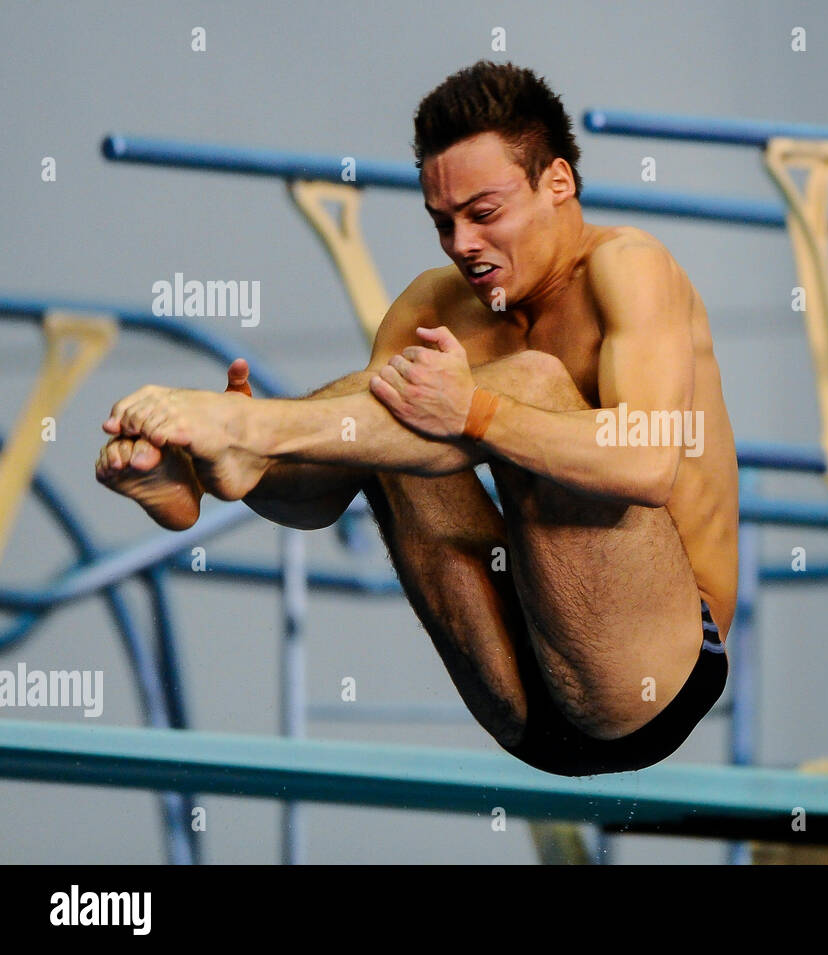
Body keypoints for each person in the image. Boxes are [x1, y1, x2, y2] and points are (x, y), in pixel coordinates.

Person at [94, 60, 739, 777]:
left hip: (650, 680)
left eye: (484, 214)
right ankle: (231, 469)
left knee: (526, 383)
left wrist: (475, 409)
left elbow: (646, 465)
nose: (462, 243)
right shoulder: (434, 307)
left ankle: (256, 435)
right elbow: (325, 498)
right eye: (443, 222)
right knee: (381, 403)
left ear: (557, 182)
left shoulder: (631, 266)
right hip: (524, 707)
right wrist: (263, 475)